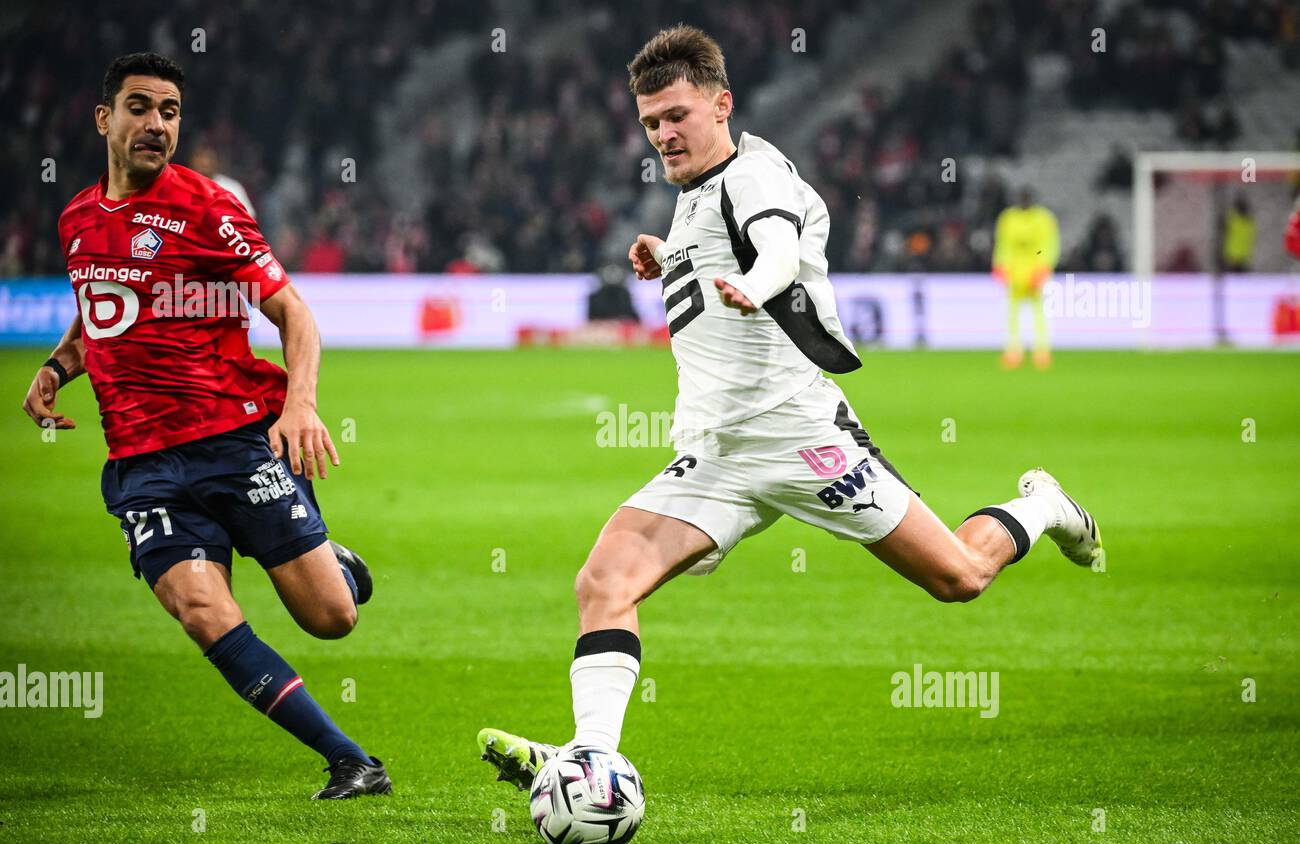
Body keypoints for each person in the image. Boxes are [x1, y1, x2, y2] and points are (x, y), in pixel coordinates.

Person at [477, 26, 1101, 791]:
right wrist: (668, 257)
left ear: (721, 104)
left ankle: (1045, 506)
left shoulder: (756, 177)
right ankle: (593, 756)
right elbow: (725, 251)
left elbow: (772, 245)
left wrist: (762, 282)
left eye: (677, 116)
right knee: (603, 581)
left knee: (960, 577)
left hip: (802, 439)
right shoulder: (700, 193)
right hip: (717, 456)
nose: (664, 135)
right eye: (651, 123)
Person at [20, 53, 390, 800]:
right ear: (104, 119)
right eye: (140, 107)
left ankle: (332, 562)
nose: (157, 124)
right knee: (201, 610)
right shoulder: (77, 219)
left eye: (170, 111)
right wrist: (59, 368)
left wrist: (301, 404)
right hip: (143, 465)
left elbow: (293, 313)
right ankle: (352, 761)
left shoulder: (209, 208)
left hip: (232, 439)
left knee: (331, 618)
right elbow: (104, 306)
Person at [993, 189, 1059, 369]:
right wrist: (1000, 265)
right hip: (1015, 272)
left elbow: (1049, 244)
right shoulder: (1008, 218)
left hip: (1035, 270)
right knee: (1013, 313)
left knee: (1039, 312)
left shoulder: (1043, 218)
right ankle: (1014, 351)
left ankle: (1041, 351)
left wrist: (1044, 267)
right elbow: (1003, 244)